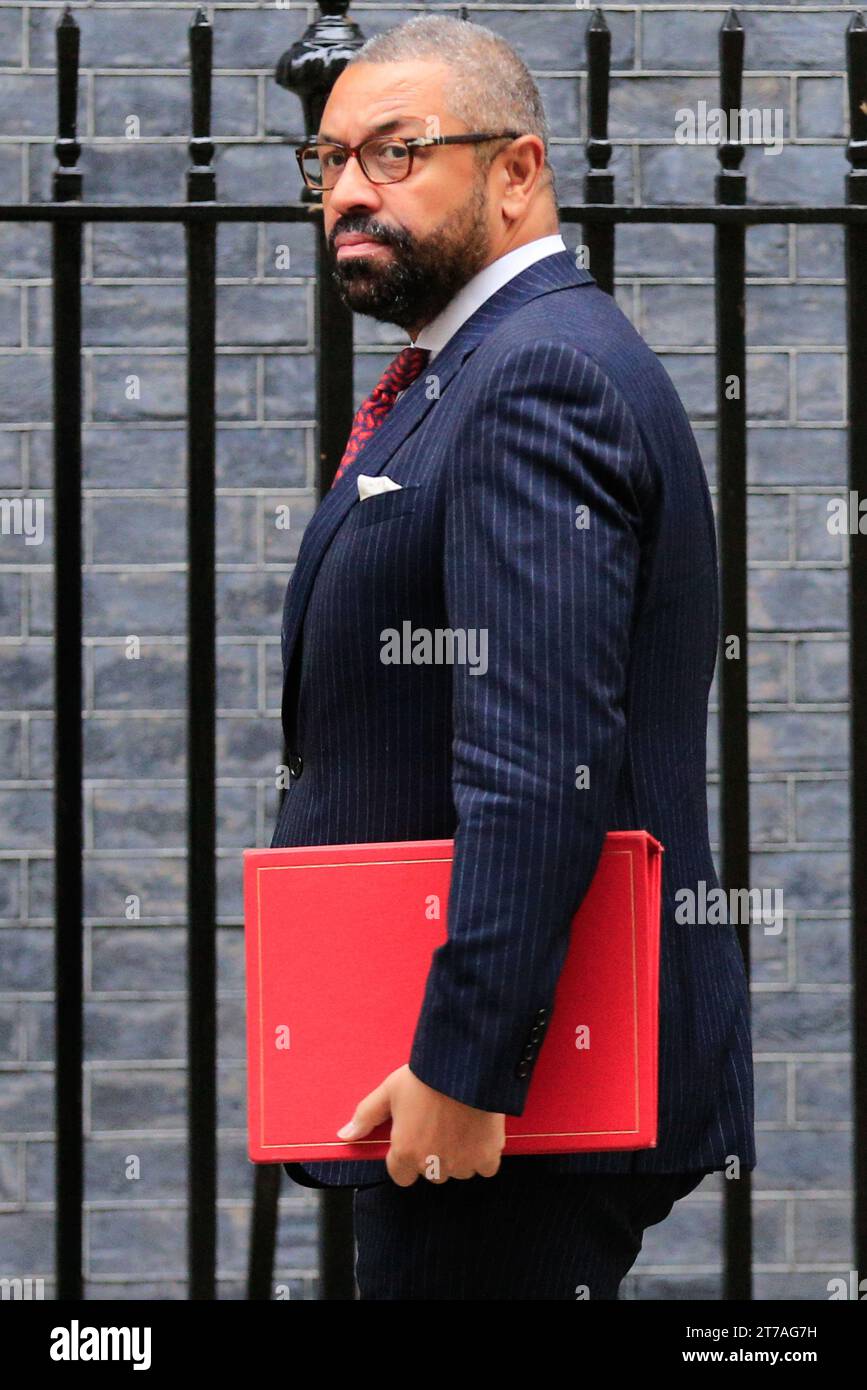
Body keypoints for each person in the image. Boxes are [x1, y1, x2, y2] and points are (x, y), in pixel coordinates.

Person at [271, 13, 755, 1300]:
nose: (348, 193)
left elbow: (542, 761)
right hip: (469, 1085)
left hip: (501, 1109)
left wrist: (466, 1066)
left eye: (396, 152)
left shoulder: (538, 377)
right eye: (328, 163)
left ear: (517, 171)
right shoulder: (480, 366)